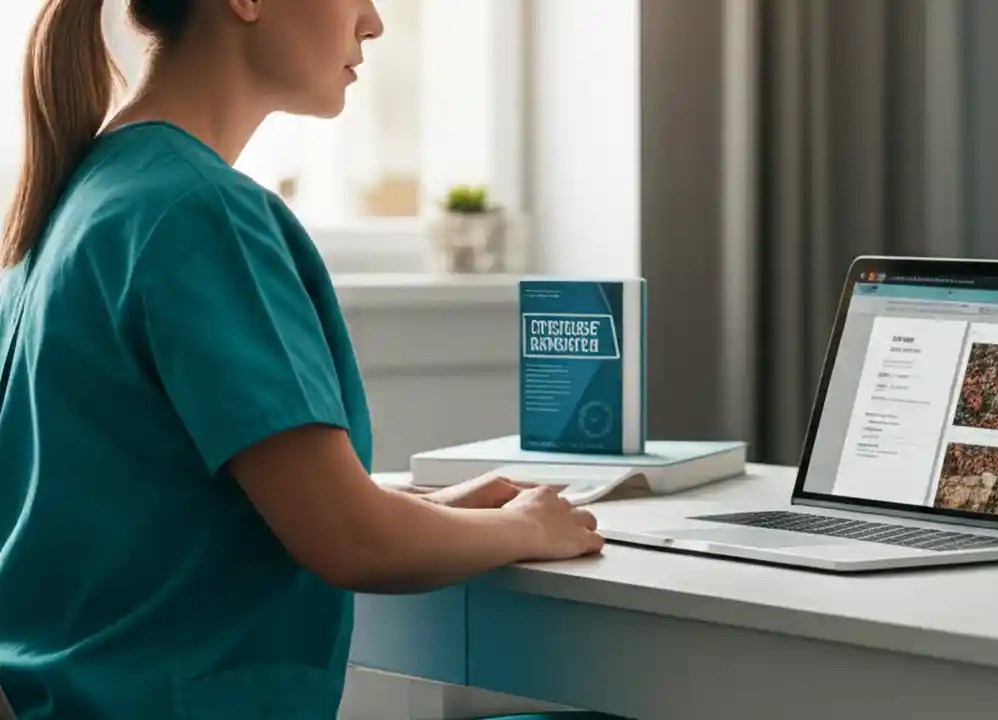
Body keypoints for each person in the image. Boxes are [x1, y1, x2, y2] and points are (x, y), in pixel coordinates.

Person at [0, 0, 605, 718]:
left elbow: (166, 510)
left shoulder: (86, 196)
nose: (373, 22)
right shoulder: (201, 214)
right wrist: (528, 528)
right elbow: (352, 542)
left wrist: (431, 511)